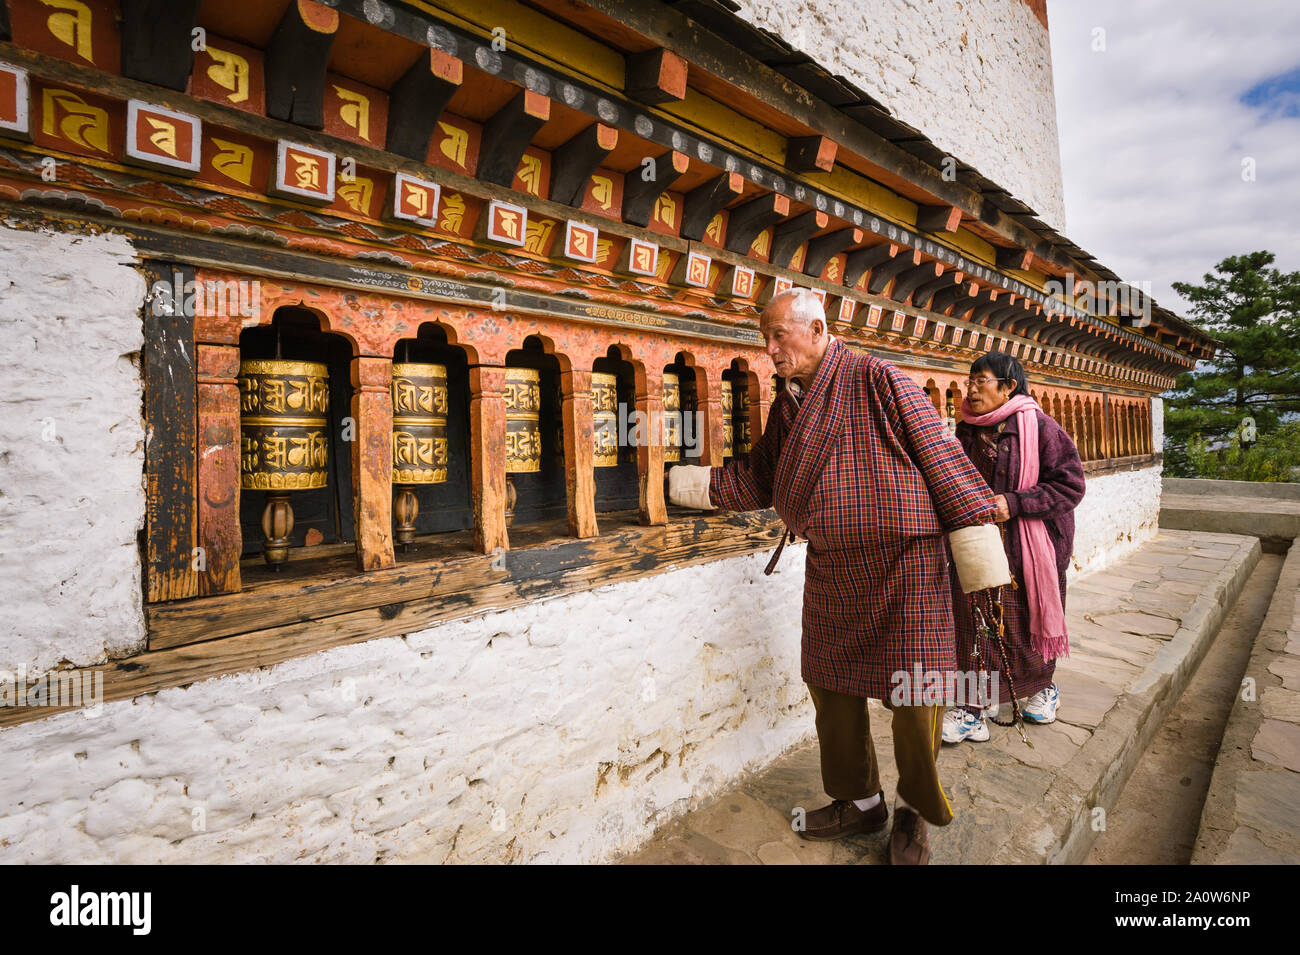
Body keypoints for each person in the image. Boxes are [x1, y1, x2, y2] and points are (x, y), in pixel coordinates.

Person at [666, 288, 1006, 865]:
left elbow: (941, 459)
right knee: (829, 683)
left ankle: (913, 812)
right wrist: (680, 485)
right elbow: (760, 480)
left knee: (917, 691)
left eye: (780, 335)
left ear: (818, 328)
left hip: (907, 562)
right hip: (832, 564)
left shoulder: (879, 379)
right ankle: (860, 800)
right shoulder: (790, 404)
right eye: (764, 337)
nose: (769, 348)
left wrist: (980, 558)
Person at [942, 352, 1086, 744]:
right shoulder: (966, 431)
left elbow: (1071, 486)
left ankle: (1041, 690)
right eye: (969, 380)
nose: (971, 388)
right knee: (973, 624)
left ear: (1008, 387)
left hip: (1031, 549)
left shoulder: (1041, 428)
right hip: (980, 545)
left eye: (981, 380)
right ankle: (972, 709)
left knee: (1026, 623)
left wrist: (1015, 503)